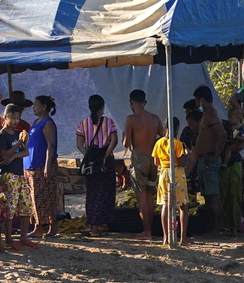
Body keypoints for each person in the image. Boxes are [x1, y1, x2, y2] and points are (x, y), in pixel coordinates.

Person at [76, 94, 118, 237]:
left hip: (90, 164)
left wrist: (89, 156)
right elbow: (114, 140)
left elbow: (79, 144)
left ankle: (91, 224)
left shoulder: (83, 123)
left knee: (92, 194)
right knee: (104, 194)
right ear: (102, 107)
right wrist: (105, 156)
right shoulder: (109, 122)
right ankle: (95, 228)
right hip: (106, 162)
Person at [123, 89, 161, 241]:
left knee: (141, 196)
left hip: (139, 159)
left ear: (131, 103)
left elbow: (126, 143)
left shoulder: (130, 119)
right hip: (153, 158)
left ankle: (147, 231)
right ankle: (149, 229)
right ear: (145, 102)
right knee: (149, 195)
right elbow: (164, 136)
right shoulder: (155, 118)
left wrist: (124, 137)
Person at [0, 104, 35, 249]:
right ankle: (9, 239)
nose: (15, 121)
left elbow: (26, 152)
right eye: (12, 118)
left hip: (20, 174)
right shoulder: (2, 135)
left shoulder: (18, 133)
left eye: (17, 118)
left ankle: (24, 238)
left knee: (26, 205)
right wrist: (17, 144)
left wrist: (15, 155)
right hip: (9, 174)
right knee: (10, 207)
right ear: (5, 117)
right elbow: (4, 155)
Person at [190, 84, 226, 237]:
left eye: (196, 100)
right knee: (207, 196)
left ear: (201, 100)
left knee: (213, 195)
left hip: (210, 159)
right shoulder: (207, 114)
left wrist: (216, 155)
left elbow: (222, 134)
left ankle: (215, 227)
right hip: (204, 159)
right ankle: (210, 226)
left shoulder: (211, 114)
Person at [25, 95, 60, 239]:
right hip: (31, 166)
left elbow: (50, 145)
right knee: (34, 198)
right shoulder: (36, 122)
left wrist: (47, 165)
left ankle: (49, 227)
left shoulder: (47, 123)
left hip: (42, 165)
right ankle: (37, 226)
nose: (33, 107)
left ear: (44, 107)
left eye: (36, 105)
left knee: (45, 197)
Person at [154, 117, 191, 246]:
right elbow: (182, 162)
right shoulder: (177, 143)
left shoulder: (158, 143)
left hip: (164, 174)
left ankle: (166, 237)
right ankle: (183, 237)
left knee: (165, 204)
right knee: (183, 205)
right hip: (177, 173)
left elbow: (156, 162)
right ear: (177, 128)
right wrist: (187, 155)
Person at [220, 104, 244, 233]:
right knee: (224, 193)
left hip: (235, 160)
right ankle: (225, 222)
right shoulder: (225, 125)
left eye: (231, 117)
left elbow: (243, 141)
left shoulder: (241, 129)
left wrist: (239, 139)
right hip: (226, 160)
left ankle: (235, 224)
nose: (229, 119)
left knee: (235, 193)